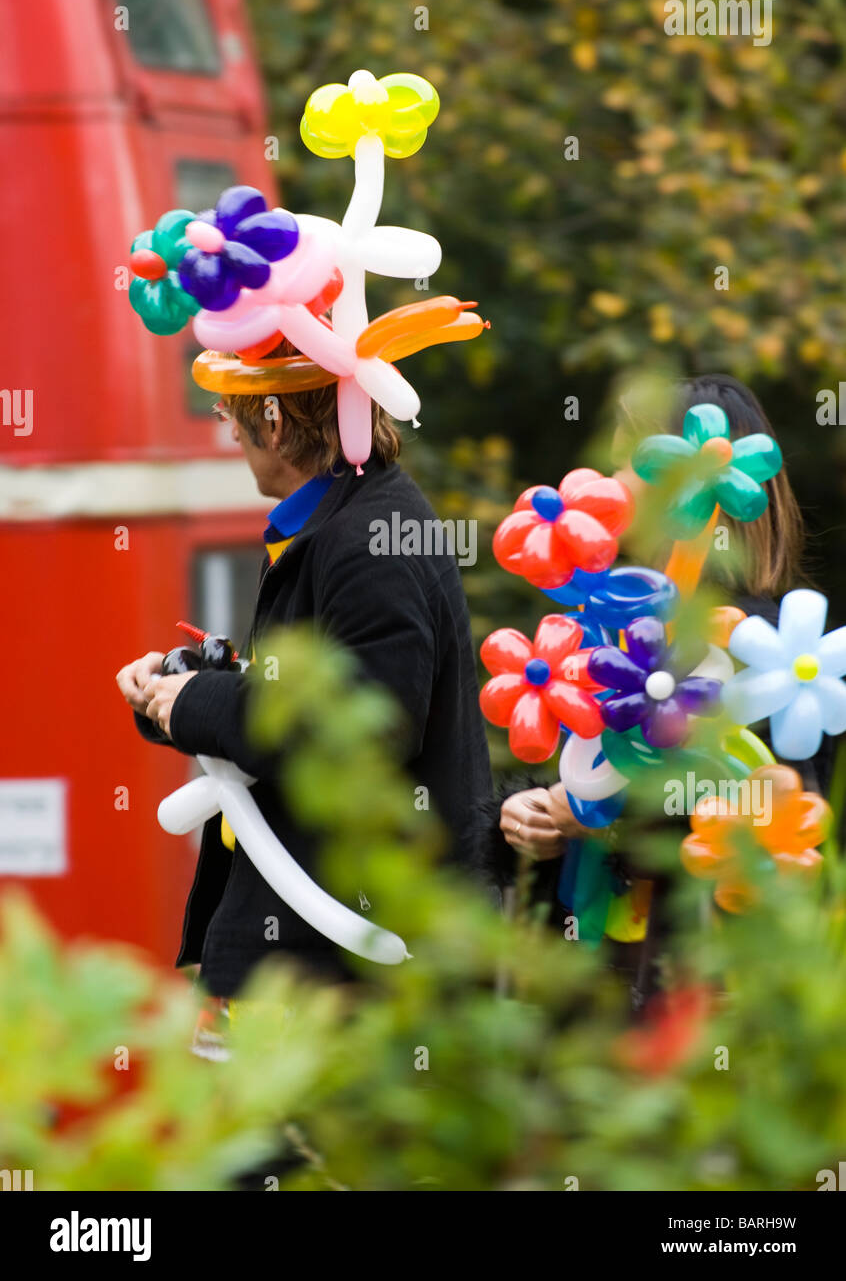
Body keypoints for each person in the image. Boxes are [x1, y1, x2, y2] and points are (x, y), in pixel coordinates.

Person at [116, 362, 494, 1001]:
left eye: (231, 407)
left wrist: (204, 702)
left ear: (274, 420)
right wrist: (175, 697)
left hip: (347, 970)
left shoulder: (370, 540)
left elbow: (368, 729)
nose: (223, 426)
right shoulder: (351, 519)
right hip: (317, 951)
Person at [488, 373, 824, 995]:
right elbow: (596, 760)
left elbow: (784, 816)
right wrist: (529, 813)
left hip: (706, 986)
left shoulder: (766, 646)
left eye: (632, 462)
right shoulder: (619, 626)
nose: (609, 484)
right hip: (603, 973)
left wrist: (603, 822)